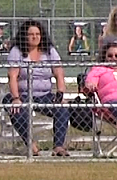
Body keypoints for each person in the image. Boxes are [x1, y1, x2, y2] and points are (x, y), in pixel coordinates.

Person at [5, 20, 71, 157]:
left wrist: (60, 94)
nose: (35, 37)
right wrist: (16, 98)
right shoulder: (17, 51)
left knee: (62, 108)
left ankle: (58, 146)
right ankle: (31, 144)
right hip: (23, 94)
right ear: (24, 36)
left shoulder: (50, 51)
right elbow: (12, 76)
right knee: (15, 109)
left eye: (37, 34)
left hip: (45, 94)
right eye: (31, 34)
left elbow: (59, 73)